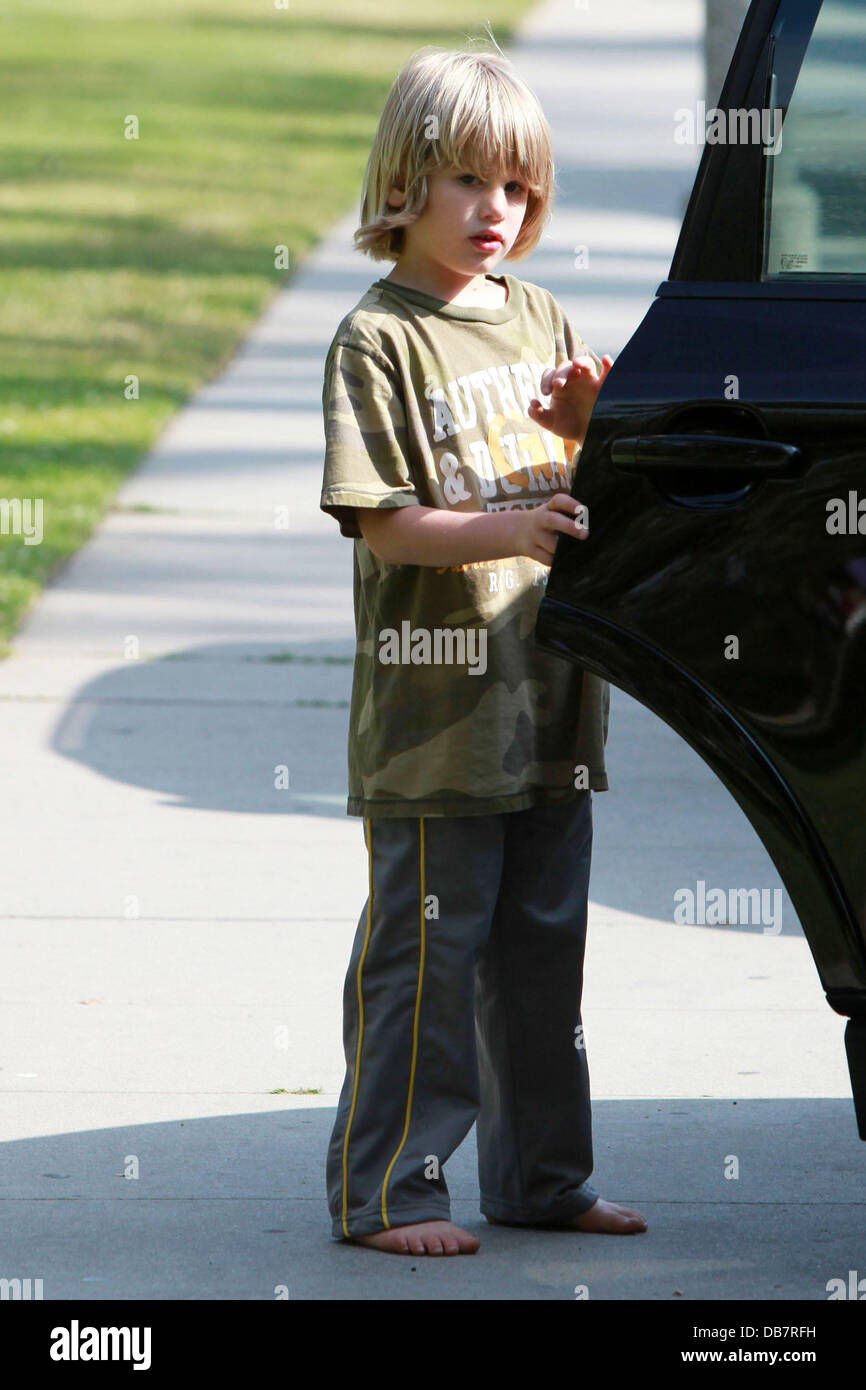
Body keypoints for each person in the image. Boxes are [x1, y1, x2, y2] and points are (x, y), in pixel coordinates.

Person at [318, 42, 647, 1256]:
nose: (494, 211)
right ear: (402, 184)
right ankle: (388, 1193)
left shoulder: (541, 318)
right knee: (426, 964)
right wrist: (508, 522)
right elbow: (386, 521)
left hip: (550, 706)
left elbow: (586, 498)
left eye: (515, 187)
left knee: (541, 966)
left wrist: (584, 431)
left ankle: (542, 1180)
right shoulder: (380, 340)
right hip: (434, 721)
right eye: (466, 182)